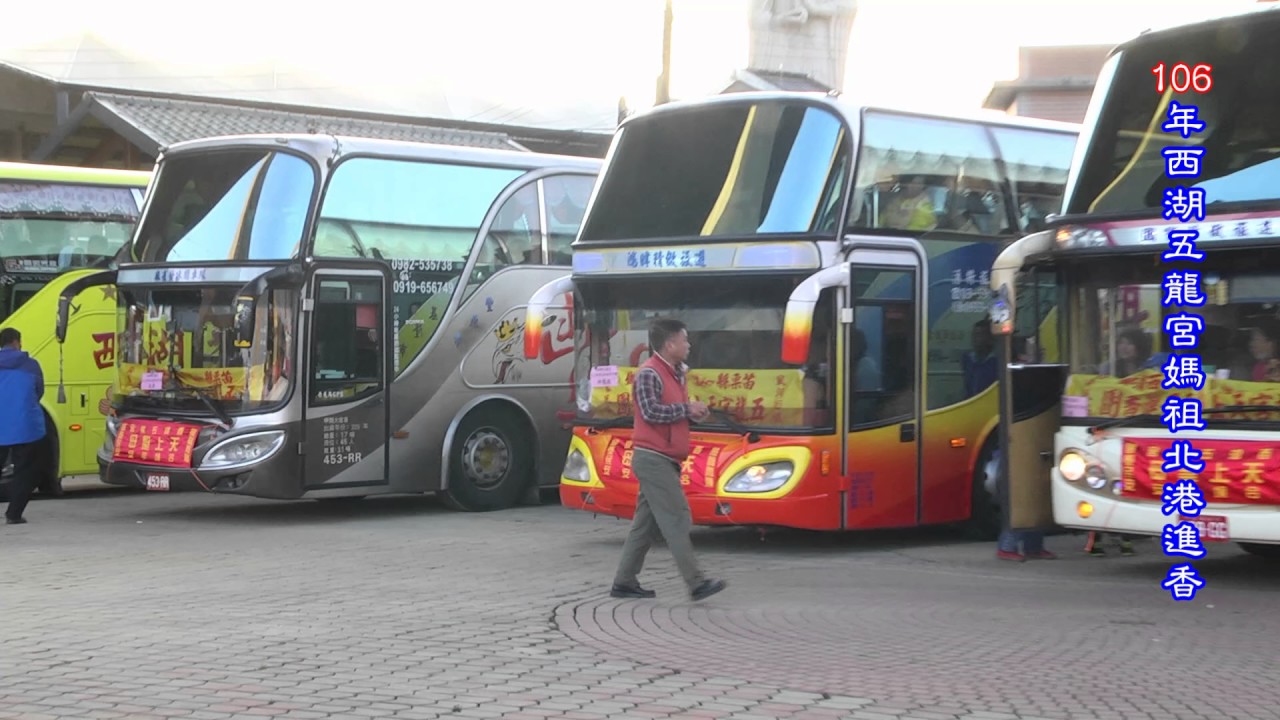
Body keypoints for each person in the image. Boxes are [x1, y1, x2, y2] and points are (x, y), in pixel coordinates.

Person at [611, 318, 727, 602]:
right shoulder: (650, 373)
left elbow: (671, 412)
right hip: (654, 458)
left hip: (665, 458)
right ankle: (696, 582)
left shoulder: (676, 373)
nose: (689, 345)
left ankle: (624, 582)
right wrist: (686, 409)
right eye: (684, 340)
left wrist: (692, 413)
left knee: (644, 526)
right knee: (677, 517)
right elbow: (650, 412)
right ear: (669, 344)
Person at [0, 327, 46, 525]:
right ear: (16, 342)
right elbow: (39, 391)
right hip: (26, 426)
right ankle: (14, 514)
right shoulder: (31, 365)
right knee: (25, 471)